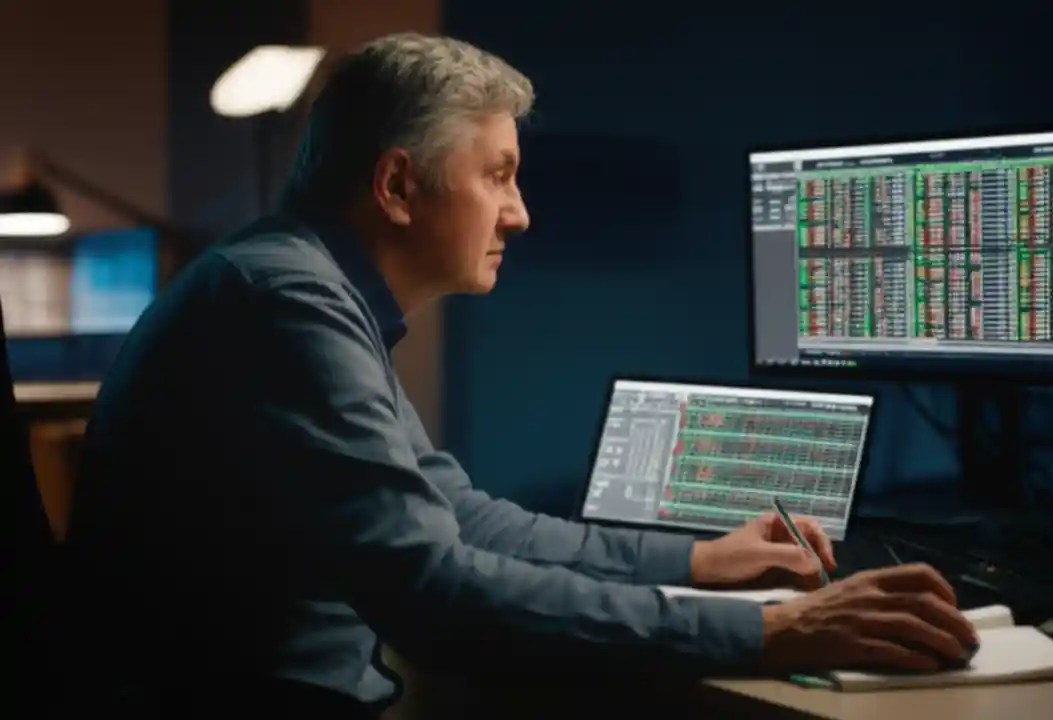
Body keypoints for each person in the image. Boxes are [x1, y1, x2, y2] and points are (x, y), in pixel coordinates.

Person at [62, 33, 976, 718]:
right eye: (499, 176)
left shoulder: (294, 284)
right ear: (396, 185)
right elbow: (436, 593)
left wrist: (698, 560)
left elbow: (459, 517)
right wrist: (773, 631)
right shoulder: (284, 303)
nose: (522, 214)